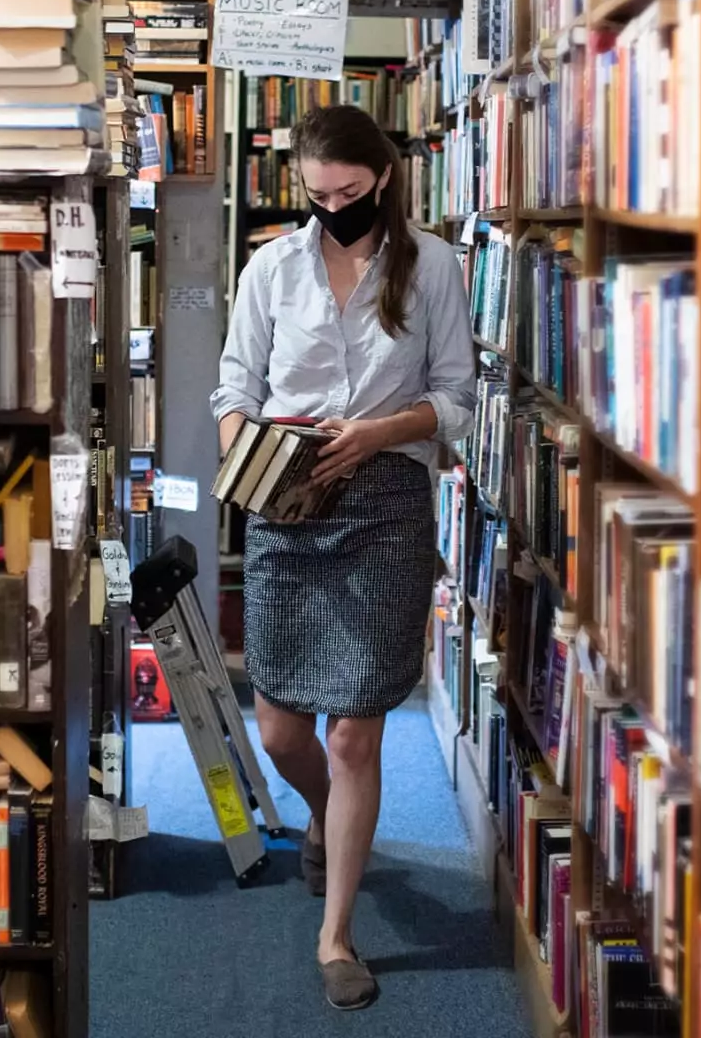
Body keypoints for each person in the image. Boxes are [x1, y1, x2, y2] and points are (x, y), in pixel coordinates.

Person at [209, 102, 476, 1011]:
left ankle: (337, 933)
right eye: (318, 196)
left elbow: (456, 399)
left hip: (388, 502)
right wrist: (250, 442)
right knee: (281, 727)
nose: (333, 210)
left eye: (351, 193)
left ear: (385, 179)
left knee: (356, 728)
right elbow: (233, 386)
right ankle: (324, 814)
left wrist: (377, 433)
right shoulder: (270, 267)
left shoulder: (431, 263)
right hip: (291, 497)